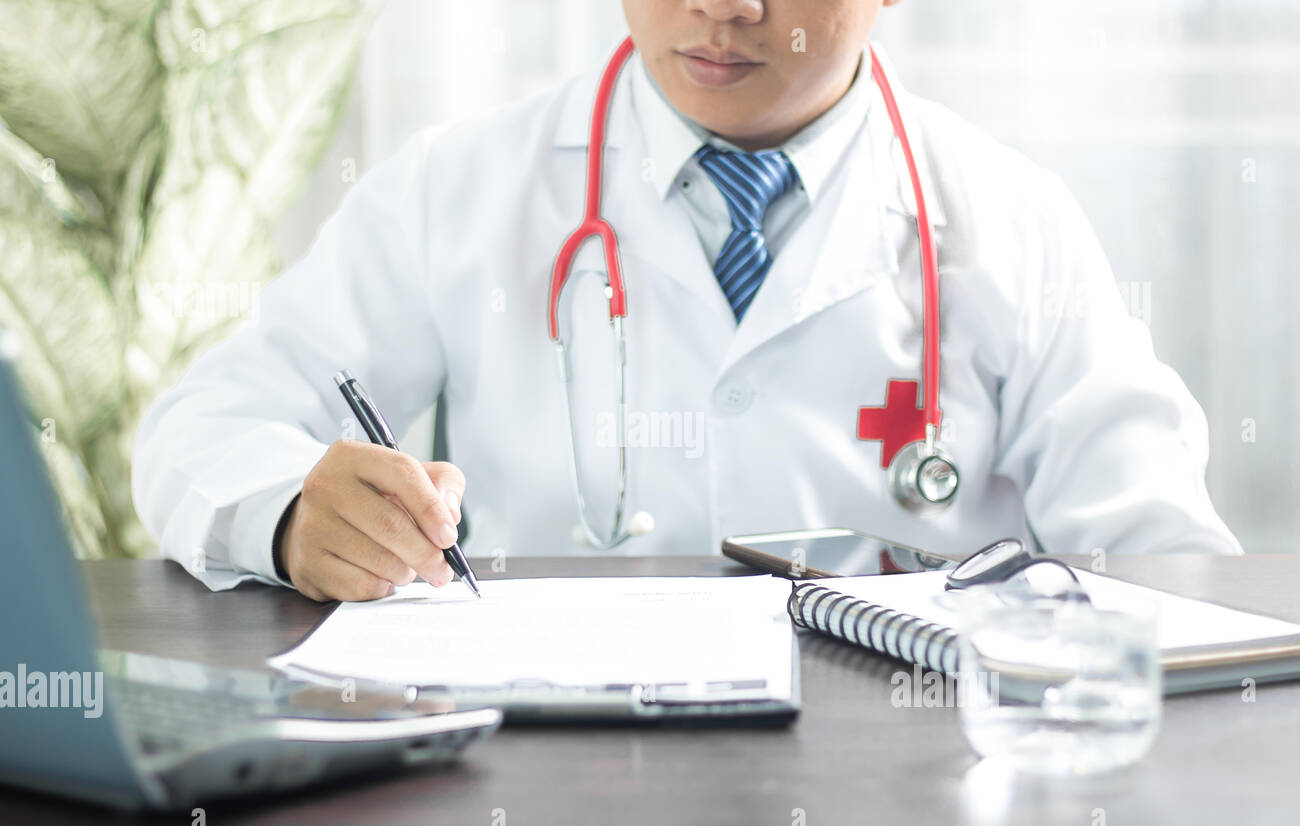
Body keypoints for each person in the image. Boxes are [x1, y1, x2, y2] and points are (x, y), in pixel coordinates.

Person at [133, 0, 1241, 603]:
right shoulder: (456, 188)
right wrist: (287, 514)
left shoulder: (1012, 219)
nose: (725, 8)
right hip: (551, 782)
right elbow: (201, 426)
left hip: (911, 800)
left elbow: (1167, 563)